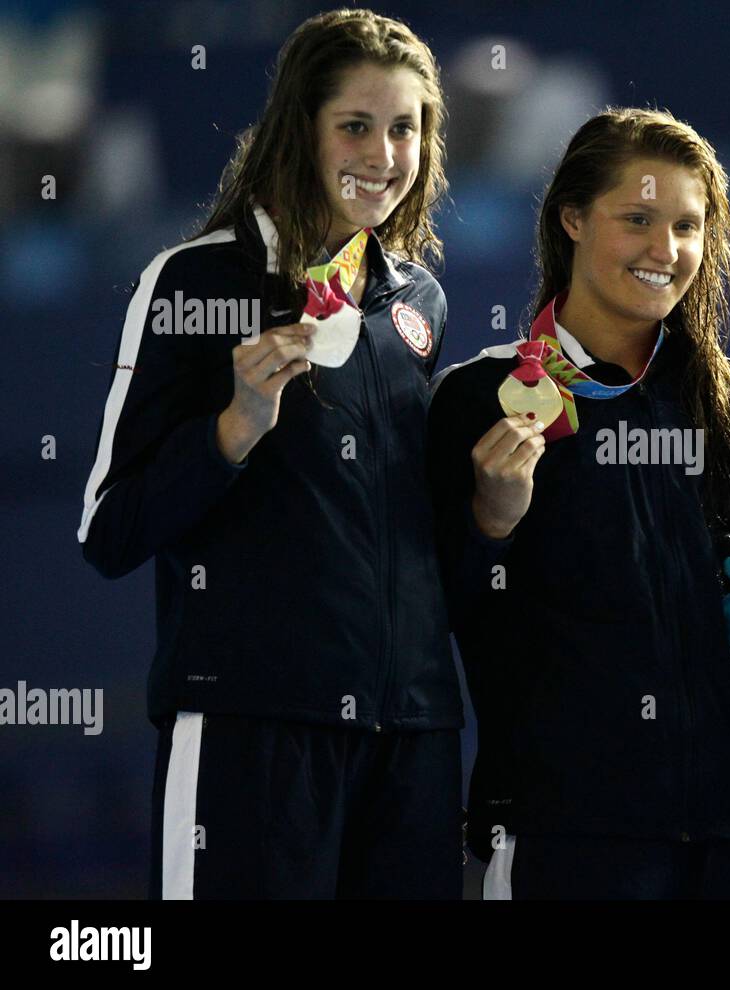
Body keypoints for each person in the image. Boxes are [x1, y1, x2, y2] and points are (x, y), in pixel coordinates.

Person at [428, 107, 730, 899]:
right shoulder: (478, 398)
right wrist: (491, 521)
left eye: (688, 226)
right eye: (637, 219)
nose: (666, 250)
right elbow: (442, 619)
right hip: (571, 836)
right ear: (571, 219)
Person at [78, 9, 464, 899]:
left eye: (404, 127)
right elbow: (110, 530)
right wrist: (237, 425)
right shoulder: (193, 282)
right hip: (250, 729)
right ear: (302, 129)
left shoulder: (419, 305)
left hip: (412, 735)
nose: (383, 153)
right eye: (355, 126)